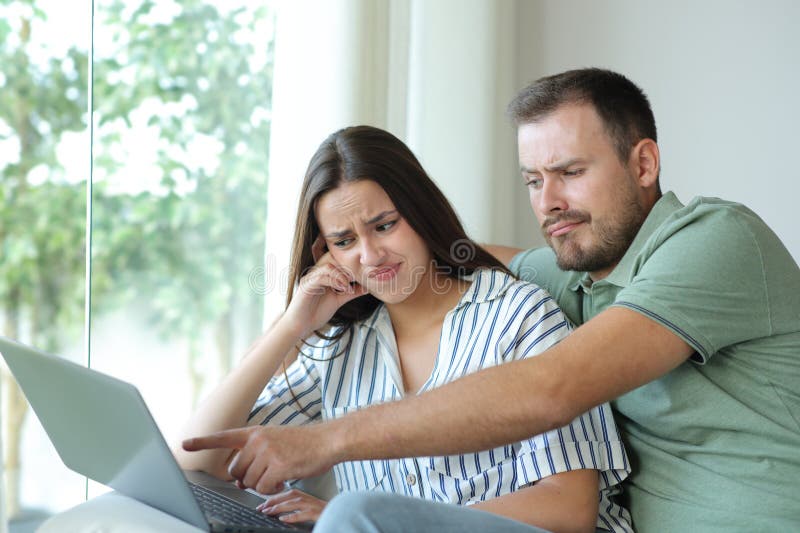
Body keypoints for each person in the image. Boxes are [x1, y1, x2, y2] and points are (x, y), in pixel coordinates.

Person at [184, 70, 800, 532]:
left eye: (570, 172)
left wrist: (330, 442)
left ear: (643, 164)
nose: (548, 201)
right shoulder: (571, 276)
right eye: (534, 181)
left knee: (356, 518)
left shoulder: (717, 241)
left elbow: (551, 389)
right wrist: (342, 278)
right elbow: (466, 255)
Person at [177, 125, 633, 532]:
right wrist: (291, 326)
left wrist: (379, 521)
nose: (371, 255)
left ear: (420, 211)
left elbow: (570, 510)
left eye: (385, 225)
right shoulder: (340, 346)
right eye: (344, 241)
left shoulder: (519, 315)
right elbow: (196, 461)